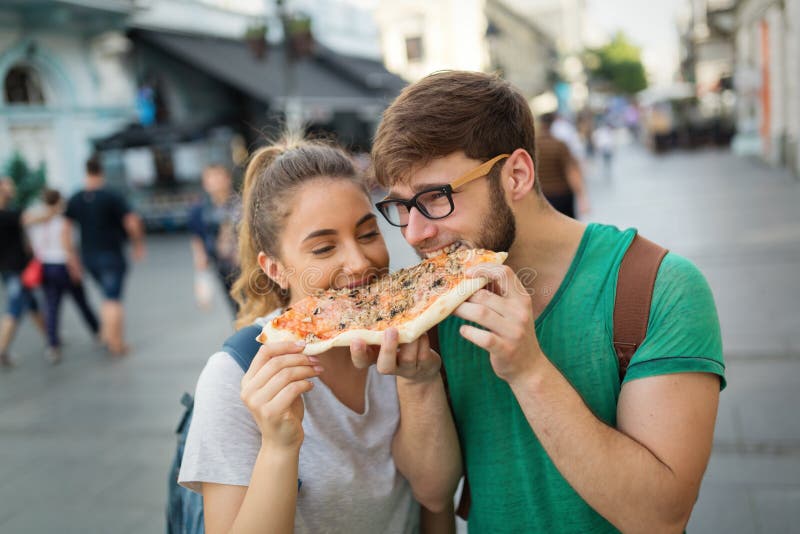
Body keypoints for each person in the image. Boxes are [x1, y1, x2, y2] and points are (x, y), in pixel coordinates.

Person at [366, 71, 726, 532]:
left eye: (436, 198)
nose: (414, 234)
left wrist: (529, 370)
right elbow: (434, 493)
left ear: (516, 174)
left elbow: (659, 516)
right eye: (400, 206)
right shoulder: (433, 307)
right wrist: (418, 381)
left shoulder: (660, 287)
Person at [178, 137, 456, 533]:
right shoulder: (234, 378)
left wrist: (420, 382)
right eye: (324, 248)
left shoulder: (412, 340)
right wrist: (278, 447)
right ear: (274, 268)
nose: (360, 262)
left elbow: (434, 498)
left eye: (367, 234)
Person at [64, 157, 146, 356]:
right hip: (111, 254)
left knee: (106, 297)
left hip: (89, 257)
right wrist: (138, 244)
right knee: (113, 299)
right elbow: (132, 221)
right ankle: (116, 344)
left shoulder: (76, 197)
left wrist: (71, 257)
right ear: (102, 171)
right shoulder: (112, 195)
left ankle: (107, 337)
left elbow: (65, 230)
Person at [24, 188, 100, 364]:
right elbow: (68, 246)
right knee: (81, 301)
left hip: (45, 266)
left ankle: (52, 345)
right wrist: (75, 268)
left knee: (51, 306)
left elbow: (29, 246)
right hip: (63, 264)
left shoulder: (35, 220)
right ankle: (98, 332)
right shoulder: (63, 220)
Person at [0, 177, 47, 367]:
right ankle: (1, 350)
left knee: (32, 305)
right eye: (8, 186)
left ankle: (51, 337)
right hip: (16, 270)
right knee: (14, 308)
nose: (12, 189)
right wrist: (54, 209)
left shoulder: (10, 212)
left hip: (9, 269)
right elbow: (32, 218)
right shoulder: (7, 215)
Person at [187, 164, 240, 314]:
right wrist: (200, 267)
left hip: (244, 264)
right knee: (234, 304)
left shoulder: (241, 203)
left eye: (218, 176)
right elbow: (197, 237)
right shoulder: (199, 210)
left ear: (228, 179)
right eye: (210, 177)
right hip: (221, 265)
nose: (214, 181)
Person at [536, 112, 589, 218]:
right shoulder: (560, 145)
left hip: (541, 196)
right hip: (562, 195)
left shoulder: (532, 145)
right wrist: (582, 197)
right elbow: (571, 171)